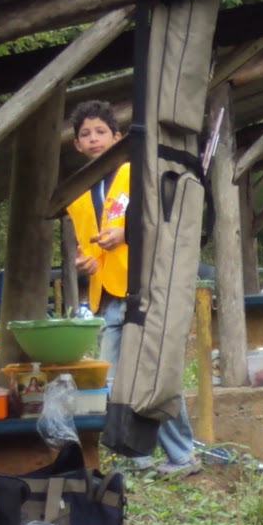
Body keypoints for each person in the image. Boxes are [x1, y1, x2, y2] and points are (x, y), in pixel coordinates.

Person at [66, 101, 200, 478]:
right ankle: (137, 456)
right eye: (85, 134)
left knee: (153, 375)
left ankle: (182, 455)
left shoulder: (135, 173)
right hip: (106, 294)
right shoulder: (77, 191)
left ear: (117, 137)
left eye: (100, 132)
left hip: (142, 287)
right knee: (110, 379)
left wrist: (125, 233)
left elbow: (161, 221)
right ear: (76, 144)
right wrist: (85, 263)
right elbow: (86, 246)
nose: (93, 139)